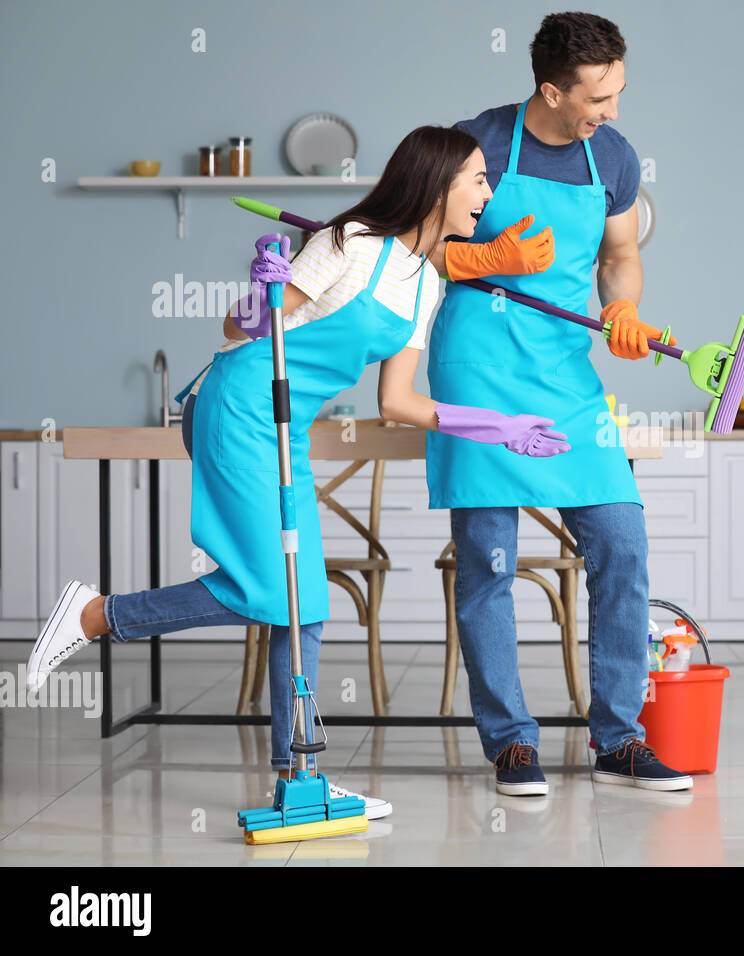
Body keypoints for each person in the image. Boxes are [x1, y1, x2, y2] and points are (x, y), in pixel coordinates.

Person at [29, 126, 566, 819]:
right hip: (240, 402)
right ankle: (99, 615)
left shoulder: (426, 284)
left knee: (304, 601)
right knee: (270, 589)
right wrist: (260, 292)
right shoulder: (350, 244)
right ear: (438, 184)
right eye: (479, 180)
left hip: (289, 426)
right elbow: (240, 327)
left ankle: (297, 779)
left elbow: (398, 400)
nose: (487, 195)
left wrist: (501, 427)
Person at [425, 12, 692, 795]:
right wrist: (487, 258)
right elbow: (421, 243)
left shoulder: (612, 156)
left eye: (617, 92)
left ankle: (619, 739)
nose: (611, 111)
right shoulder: (476, 143)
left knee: (623, 544)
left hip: (565, 375)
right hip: (477, 366)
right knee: (487, 564)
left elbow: (621, 256)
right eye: (599, 97)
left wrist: (625, 311)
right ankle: (510, 743)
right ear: (551, 88)